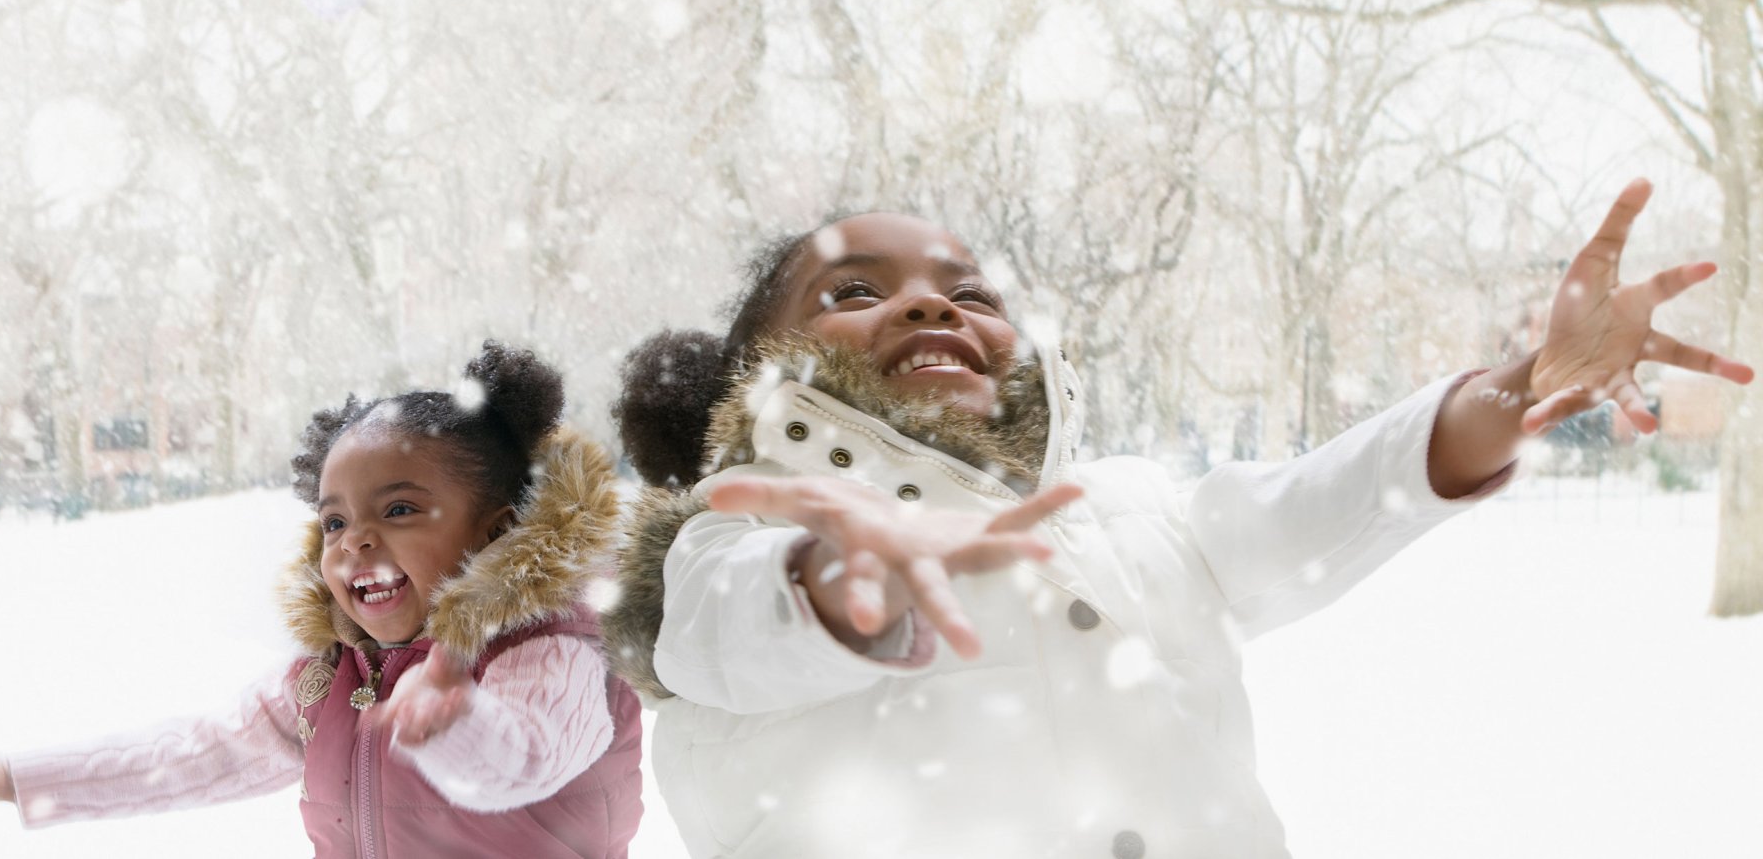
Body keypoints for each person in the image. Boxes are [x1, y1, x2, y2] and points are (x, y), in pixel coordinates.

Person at [603, 181, 1751, 859]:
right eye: (852, 292)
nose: (926, 302)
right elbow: (724, 635)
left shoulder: (1128, 509)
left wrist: (1517, 386)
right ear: (757, 371)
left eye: (969, 291)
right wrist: (838, 585)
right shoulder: (730, 539)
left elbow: (1323, 504)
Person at [0, 342, 645, 858]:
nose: (353, 542)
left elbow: (530, 755)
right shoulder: (334, 677)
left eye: (400, 509)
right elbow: (200, 752)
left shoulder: (550, 648)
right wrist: (19, 776)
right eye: (335, 519)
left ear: (496, 530)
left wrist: (457, 723)